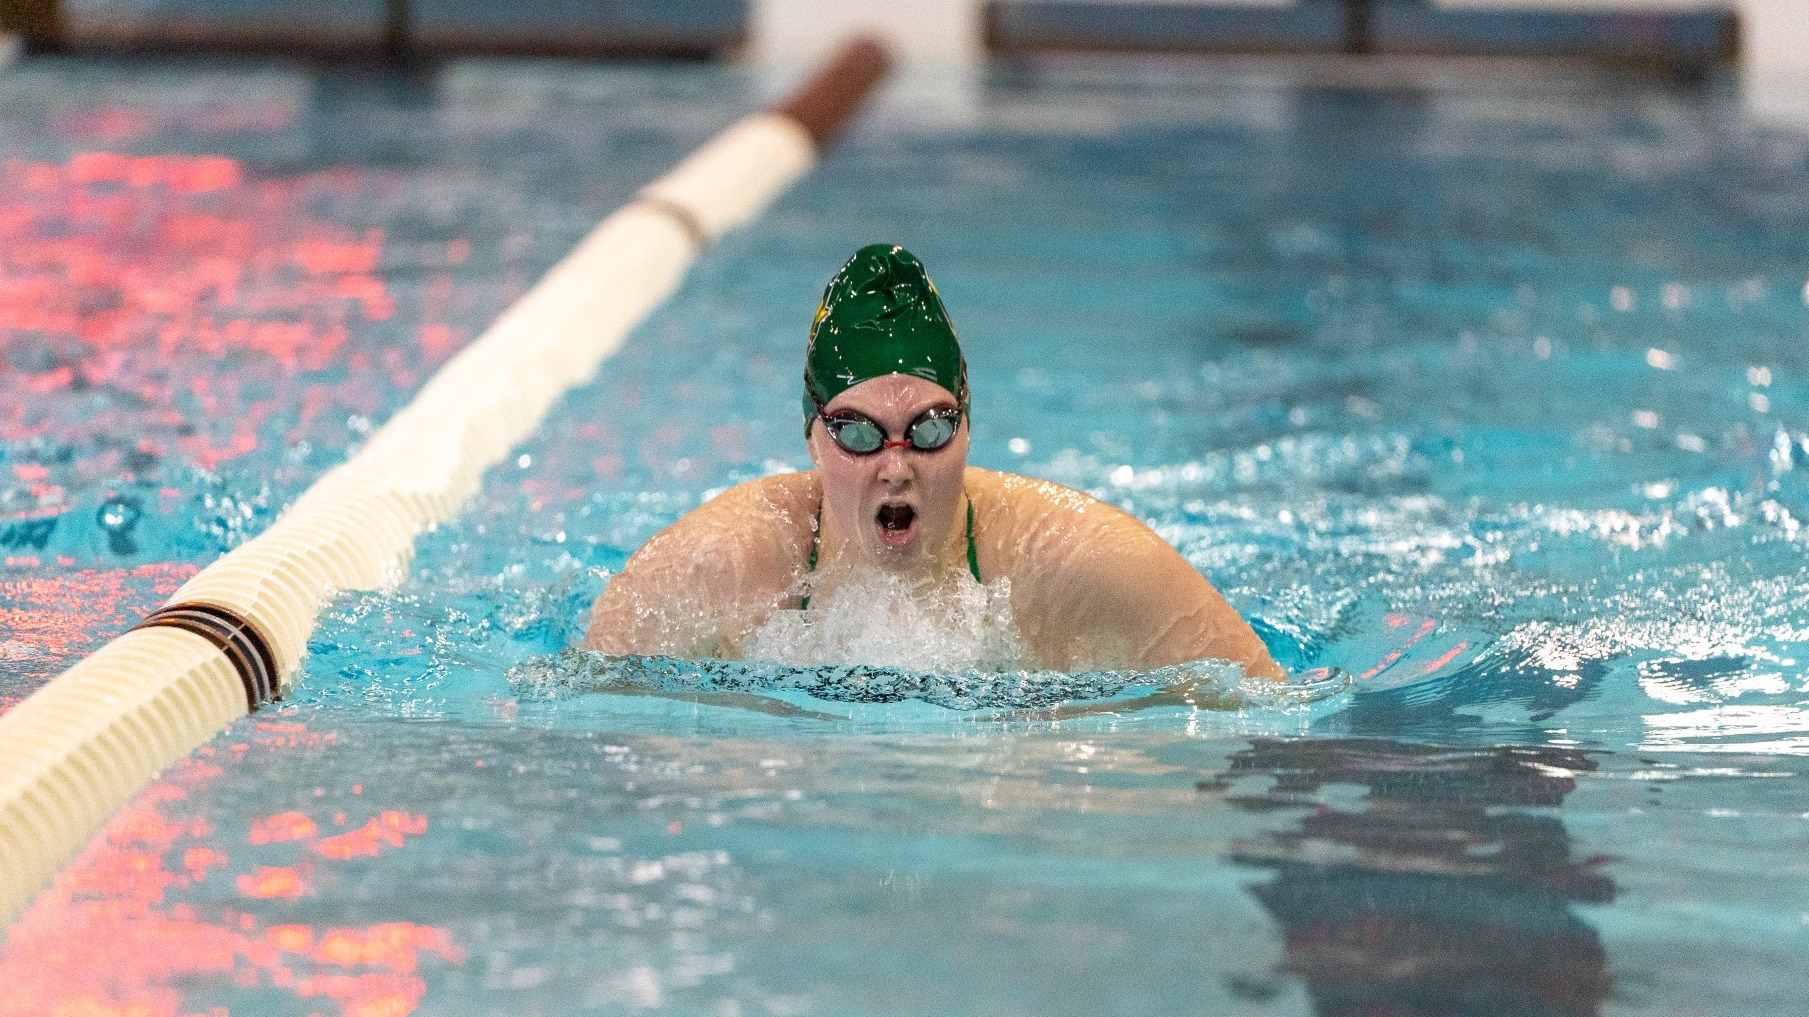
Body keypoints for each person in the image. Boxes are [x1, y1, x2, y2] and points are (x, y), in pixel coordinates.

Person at [585, 244, 1285, 680]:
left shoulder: (1080, 563)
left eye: (926, 429)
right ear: (812, 438)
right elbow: (580, 718)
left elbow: (1270, 708)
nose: (896, 467)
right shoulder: (717, 564)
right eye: (859, 435)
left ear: (968, 427)